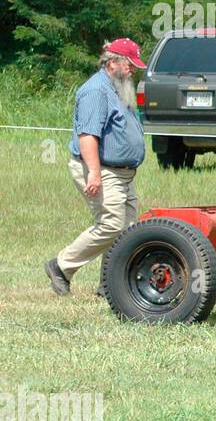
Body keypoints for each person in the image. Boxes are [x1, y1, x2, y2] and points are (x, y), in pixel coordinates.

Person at [46, 38, 148, 295]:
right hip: (101, 169)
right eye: (130, 64)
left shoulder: (118, 87)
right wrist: (93, 172)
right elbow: (88, 136)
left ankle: (110, 284)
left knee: (126, 230)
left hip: (122, 173)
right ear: (113, 62)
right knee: (111, 224)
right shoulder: (95, 91)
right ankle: (61, 266)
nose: (133, 69)